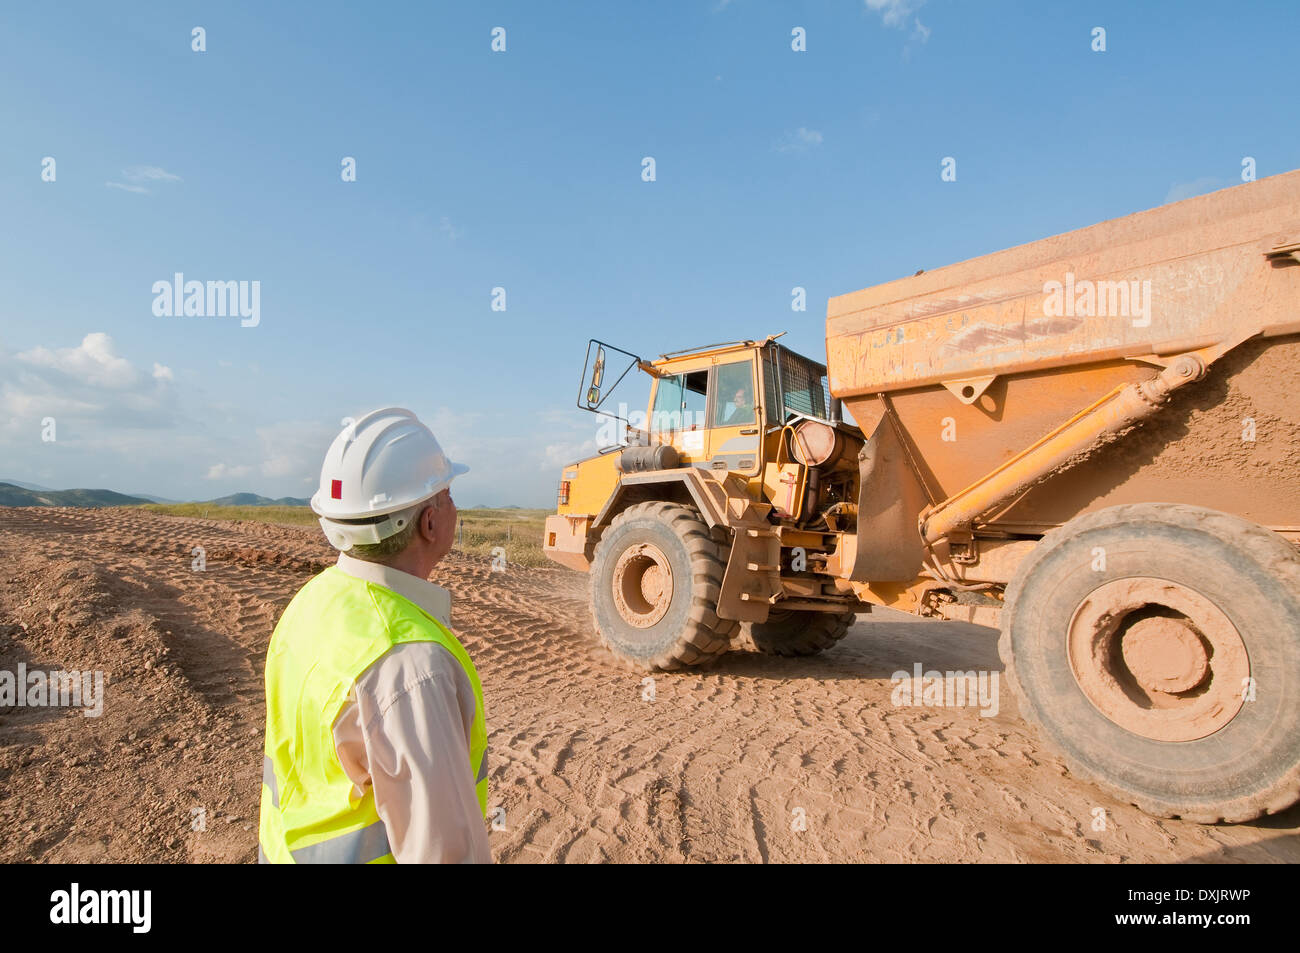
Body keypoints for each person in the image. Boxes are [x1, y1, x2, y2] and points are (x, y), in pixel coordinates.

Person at [258, 407, 489, 864]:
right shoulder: (412, 666)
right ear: (429, 522)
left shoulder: (310, 602)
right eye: (448, 494)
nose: (455, 508)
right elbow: (442, 854)